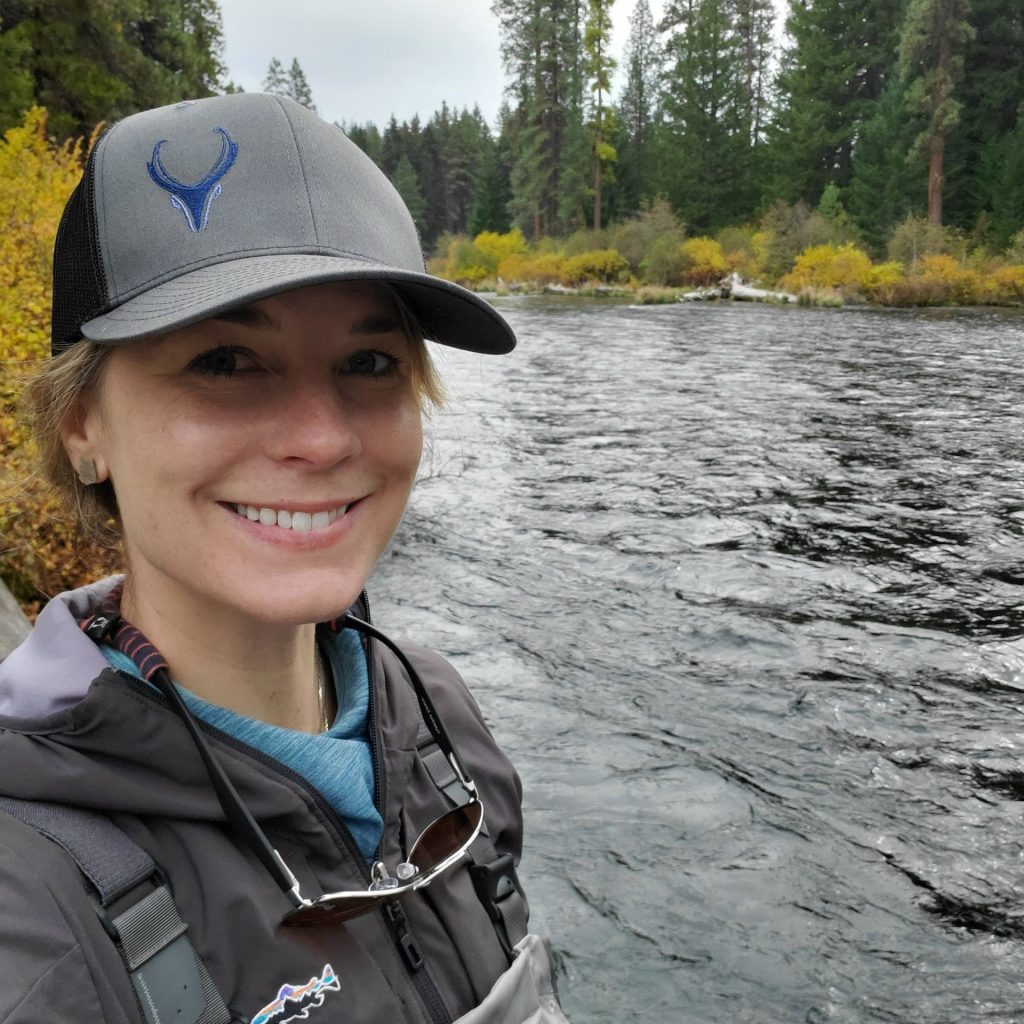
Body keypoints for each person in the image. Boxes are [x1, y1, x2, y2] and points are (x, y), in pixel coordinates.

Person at [0, 93, 566, 1024]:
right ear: (81, 425)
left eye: (369, 363)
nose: (321, 437)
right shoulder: (32, 903)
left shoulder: (435, 717)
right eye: (225, 362)